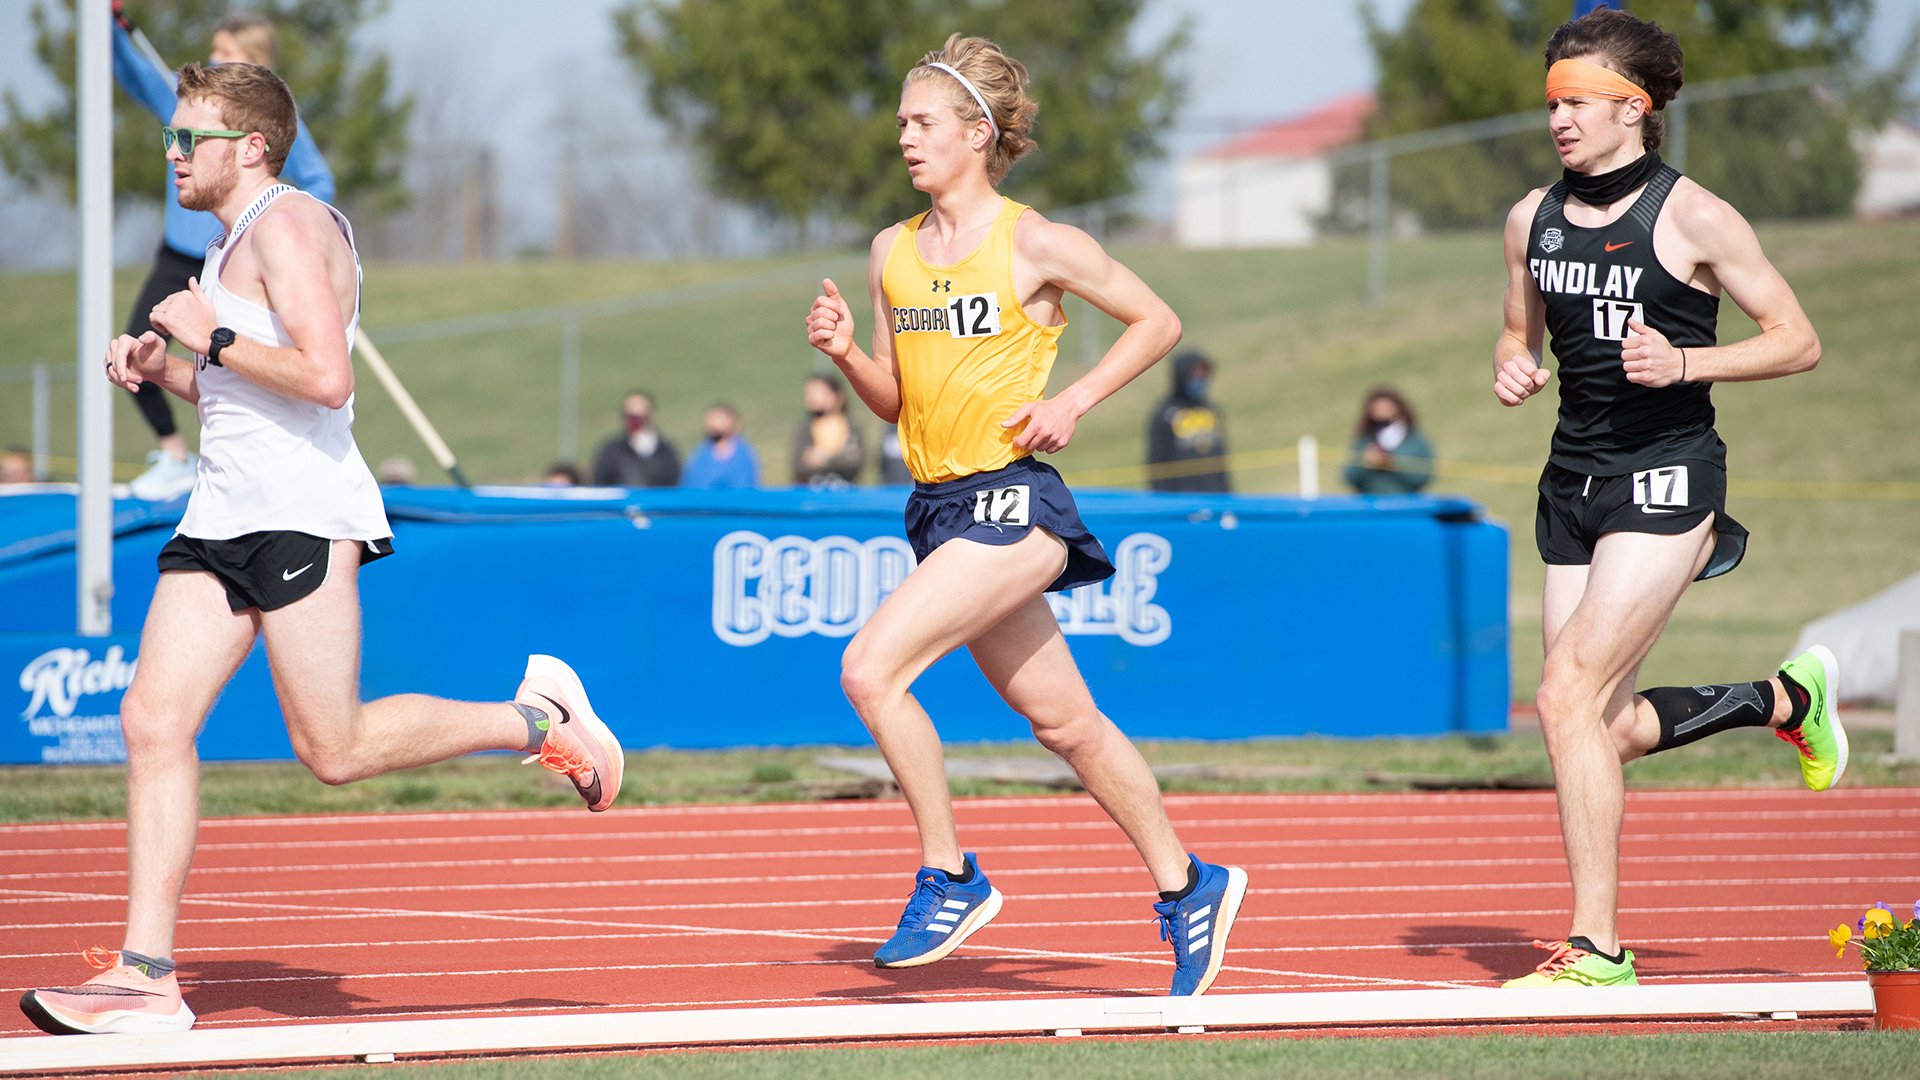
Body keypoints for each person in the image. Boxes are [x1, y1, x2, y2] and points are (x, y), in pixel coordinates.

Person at [18, 62, 625, 1037]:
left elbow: (328, 379)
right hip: (220, 513)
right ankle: (147, 978)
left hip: (299, 514)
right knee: (151, 721)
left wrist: (212, 336)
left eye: (190, 138)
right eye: (170, 136)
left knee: (333, 751)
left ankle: (536, 719)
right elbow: (250, 393)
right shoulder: (226, 244)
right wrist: (167, 367)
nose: (172, 154)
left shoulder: (292, 227)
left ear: (252, 146)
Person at [806, 34, 1247, 997]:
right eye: (901, 123)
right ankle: (1190, 884)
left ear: (977, 132)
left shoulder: (1035, 241)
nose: (906, 138)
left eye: (923, 122)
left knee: (870, 670)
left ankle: (950, 876)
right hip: (935, 507)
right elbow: (894, 402)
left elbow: (1159, 321)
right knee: (1068, 725)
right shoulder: (891, 251)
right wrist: (846, 356)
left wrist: (1073, 400)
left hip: (1011, 500)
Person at [1491, 9, 1841, 989]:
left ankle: (1598, 951)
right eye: (1551, 103)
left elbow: (1798, 339)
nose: (1559, 120)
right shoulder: (1530, 219)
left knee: (1562, 695)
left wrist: (1687, 361)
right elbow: (1516, 331)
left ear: (1633, 108)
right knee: (1596, 727)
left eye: (1578, 102)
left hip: (1669, 473)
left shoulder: (1695, 217)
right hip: (1572, 481)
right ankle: (1783, 699)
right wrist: (1513, 363)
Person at [112, 8, 337, 502]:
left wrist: (290, 225)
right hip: (182, 257)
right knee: (139, 348)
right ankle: (175, 456)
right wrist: (106, 25)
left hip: (238, 257)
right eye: (213, 50)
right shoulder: (188, 104)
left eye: (226, 54)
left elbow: (319, 180)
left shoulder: (270, 137)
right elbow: (131, 73)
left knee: (243, 371)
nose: (176, 153)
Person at [1145, 350, 1229, 492]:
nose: (1200, 380)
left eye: (1203, 375)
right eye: (1195, 375)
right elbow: (1156, 462)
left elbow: (1221, 459)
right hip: (1181, 496)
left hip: (1216, 495)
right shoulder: (1165, 414)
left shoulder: (1211, 410)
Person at [1342, 387, 1433, 495]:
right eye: (1377, 410)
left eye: (1387, 408)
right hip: (1371, 501)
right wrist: (1365, 461)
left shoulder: (1413, 440)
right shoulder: (1365, 441)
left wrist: (1392, 462)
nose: (1382, 415)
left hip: (1406, 501)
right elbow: (1348, 477)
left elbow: (1424, 475)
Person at [591, 391, 680, 487]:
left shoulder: (666, 451)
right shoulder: (612, 451)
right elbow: (601, 483)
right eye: (630, 416)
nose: (636, 422)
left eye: (642, 417)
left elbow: (674, 483)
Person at [791, 373, 865, 486]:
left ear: (836, 395)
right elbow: (799, 465)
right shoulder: (805, 428)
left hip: (845, 490)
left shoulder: (851, 427)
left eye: (818, 392)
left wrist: (825, 458)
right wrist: (842, 457)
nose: (811, 397)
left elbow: (857, 461)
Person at [681, 403, 760, 489]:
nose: (713, 423)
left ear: (732, 421)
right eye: (710, 419)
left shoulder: (743, 455)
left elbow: (745, 485)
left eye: (718, 419)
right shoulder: (700, 455)